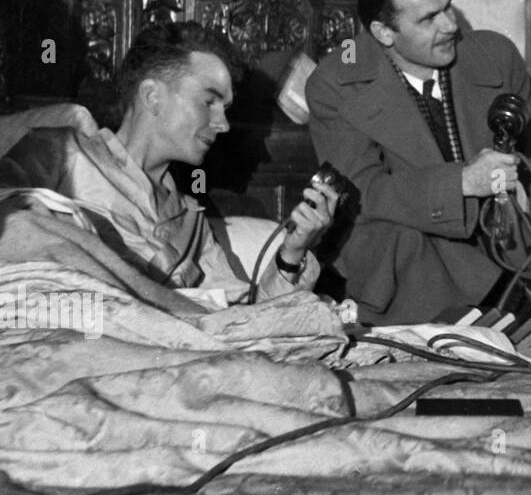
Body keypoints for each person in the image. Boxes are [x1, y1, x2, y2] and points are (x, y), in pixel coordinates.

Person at [306, 0, 531, 326]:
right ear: (383, 33)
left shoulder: (494, 56)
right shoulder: (336, 83)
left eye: (447, 6)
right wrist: (462, 182)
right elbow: (364, 192)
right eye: (428, 18)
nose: (450, 25)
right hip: (407, 279)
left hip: (507, 261)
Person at [0, 22, 338, 300]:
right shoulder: (58, 152)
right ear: (152, 96)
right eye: (209, 101)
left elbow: (241, 320)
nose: (222, 124)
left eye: (226, 109)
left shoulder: (190, 218)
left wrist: (293, 252)